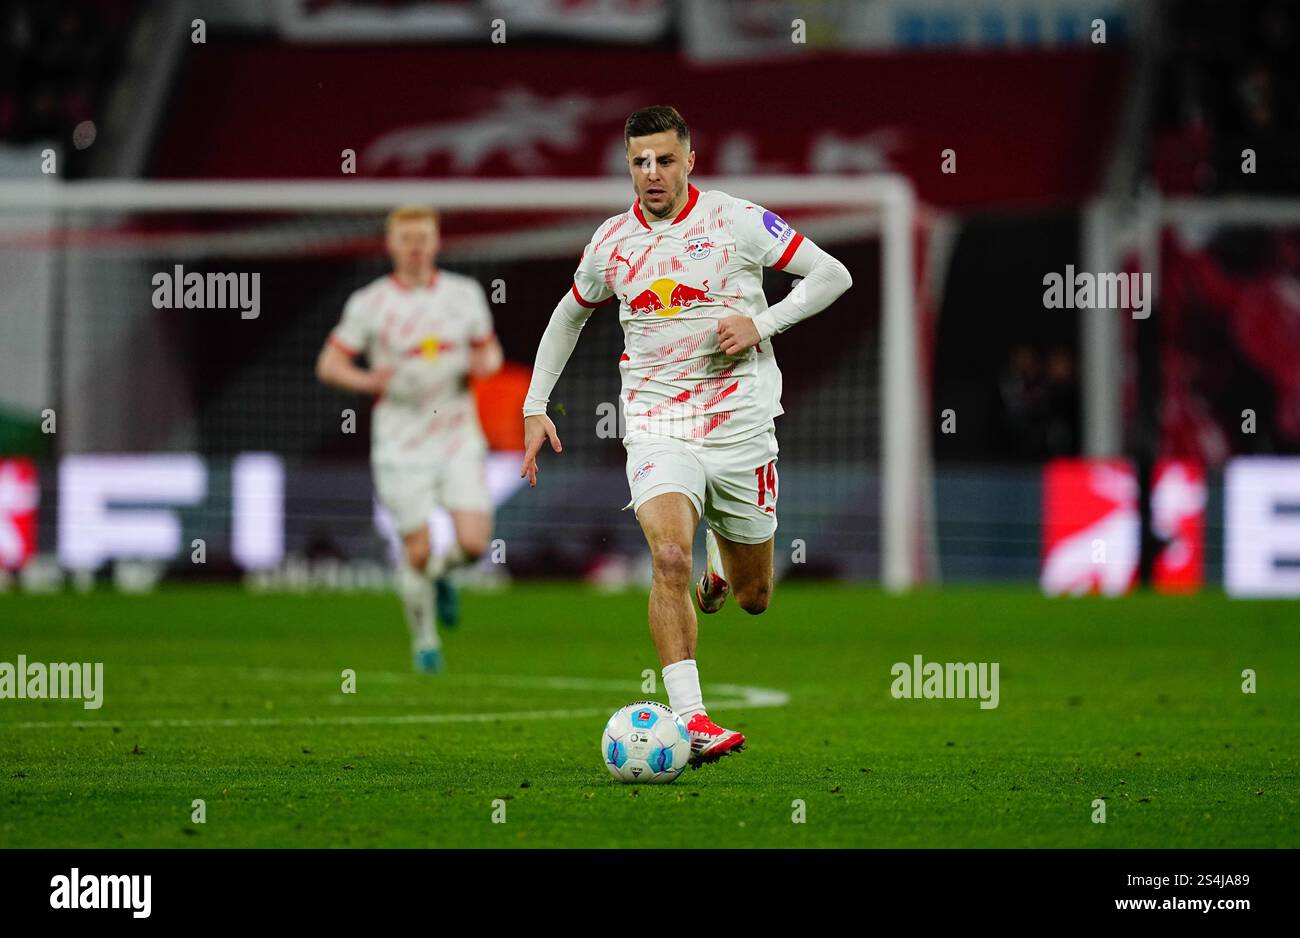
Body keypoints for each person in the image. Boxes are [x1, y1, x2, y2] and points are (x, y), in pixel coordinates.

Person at [520, 106, 852, 765]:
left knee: (755, 599)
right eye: (639, 162)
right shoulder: (612, 242)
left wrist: (764, 325)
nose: (651, 173)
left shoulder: (737, 221)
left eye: (664, 159)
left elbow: (832, 275)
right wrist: (535, 404)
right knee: (668, 557)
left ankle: (724, 565)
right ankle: (692, 720)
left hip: (740, 428)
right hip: (657, 424)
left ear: (690, 160)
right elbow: (568, 316)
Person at [317, 205, 503, 673]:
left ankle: (441, 578)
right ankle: (425, 643)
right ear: (392, 244)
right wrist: (369, 381)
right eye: (407, 239)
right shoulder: (370, 303)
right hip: (400, 442)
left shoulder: (464, 295)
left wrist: (488, 365)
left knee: (476, 544)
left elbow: (490, 351)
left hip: (457, 433)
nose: (416, 247)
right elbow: (329, 364)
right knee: (416, 549)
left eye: (424, 237)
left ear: (436, 242)